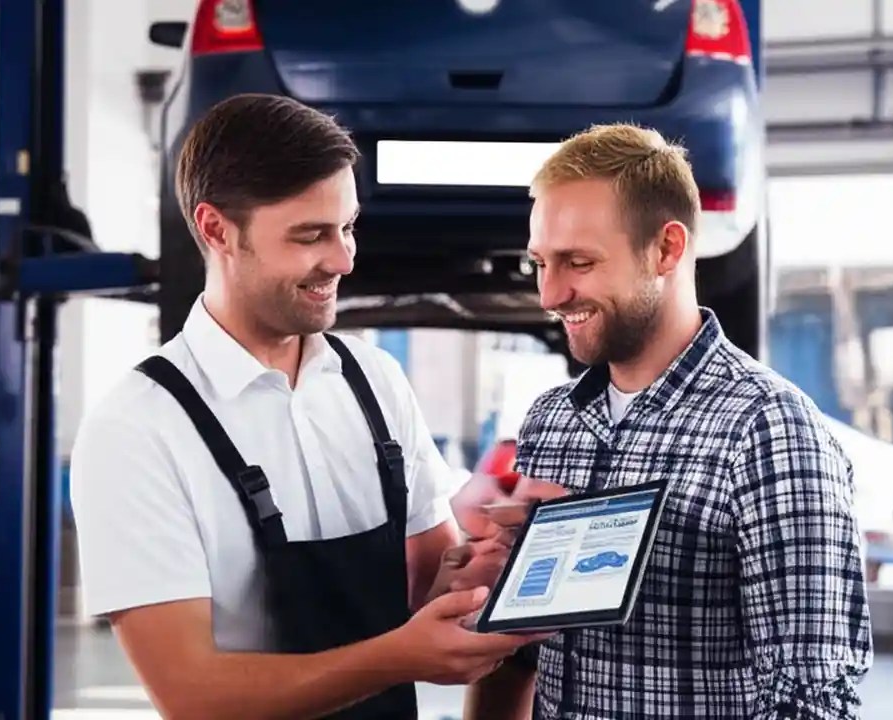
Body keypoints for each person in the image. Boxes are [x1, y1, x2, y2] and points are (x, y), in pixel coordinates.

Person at [68, 94, 540, 720]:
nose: (344, 259)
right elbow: (193, 695)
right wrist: (401, 656)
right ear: (217, 230)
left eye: (347, 227)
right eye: (310, 235)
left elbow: (430, 582)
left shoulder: (374, 382)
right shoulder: (138, 430)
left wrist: (488, 567)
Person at [456, 123, 874, 719]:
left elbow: (811, 703)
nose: (550, 294)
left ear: (667, 249)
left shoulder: (770, 432)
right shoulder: (552, 421)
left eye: (578, 262)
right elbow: (517, 657)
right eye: (540, 264)